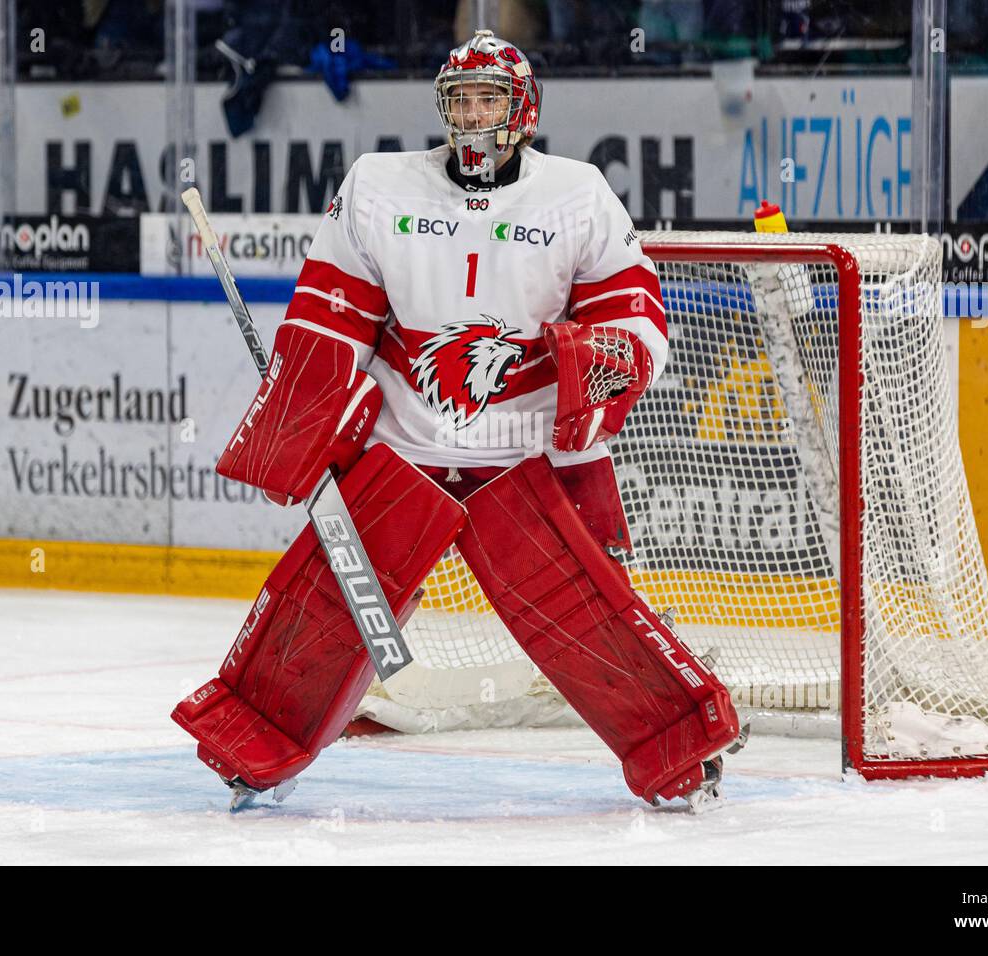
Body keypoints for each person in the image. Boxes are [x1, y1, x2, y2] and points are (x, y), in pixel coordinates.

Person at [172, 30, 742, 812]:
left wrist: (595, 372)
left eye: (490, 100)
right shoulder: (379, 185)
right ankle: (254, 741)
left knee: (591, 613)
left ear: (525, 111)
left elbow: (638, 317)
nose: (474, 116)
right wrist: (297, 430)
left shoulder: (577, 193)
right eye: (461, 100)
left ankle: (682, 746)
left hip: (530, 449)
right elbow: (331, 317)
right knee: (333, 601)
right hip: (405, 443)